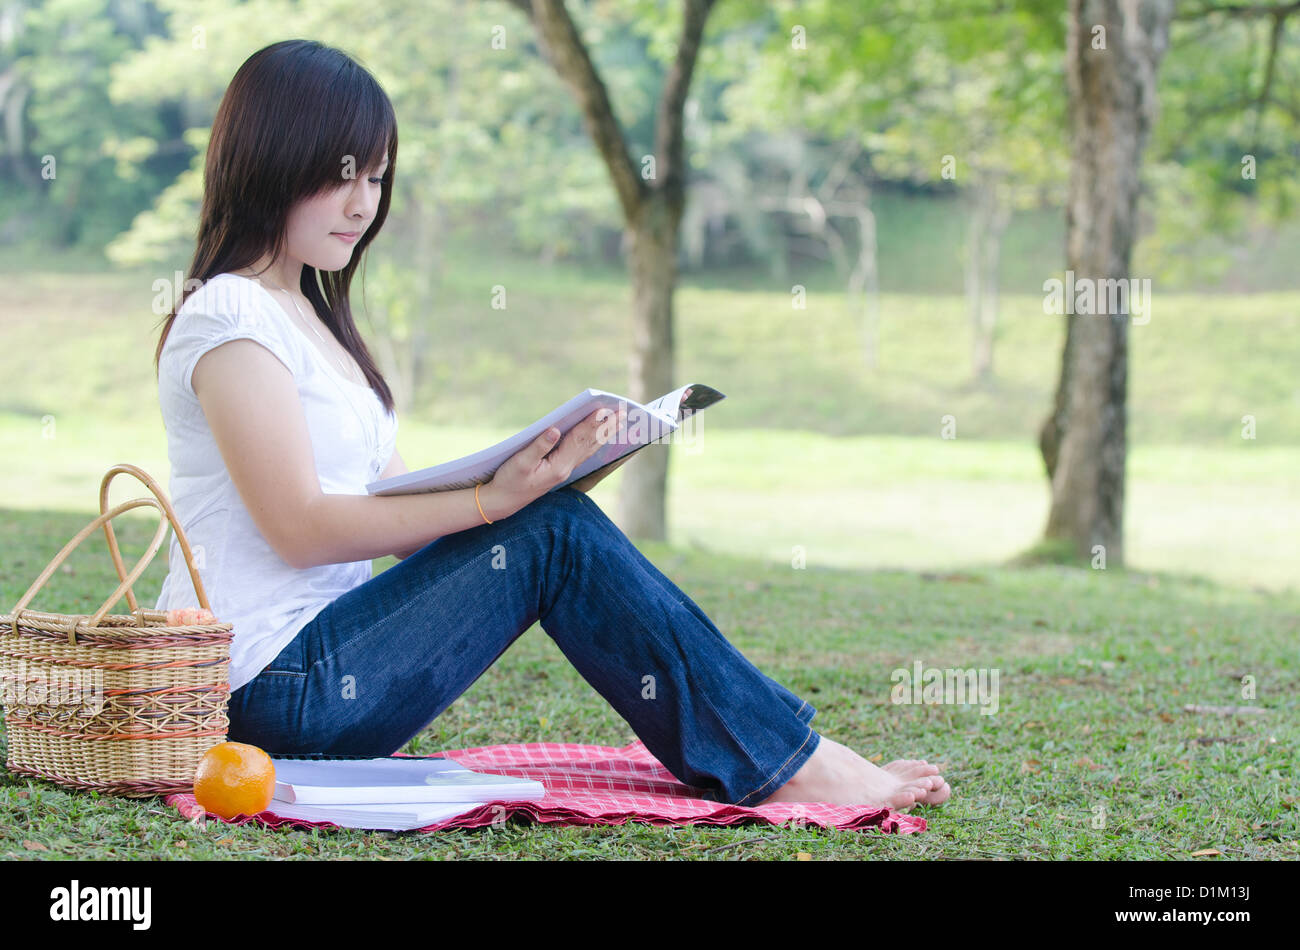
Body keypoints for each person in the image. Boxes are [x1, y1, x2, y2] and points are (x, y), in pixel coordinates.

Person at [152, 39, 949, 810]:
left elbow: (400, 519)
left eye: (379, 177)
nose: (365, 203)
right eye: (341, 177)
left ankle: (779, 751)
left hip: (321, 669)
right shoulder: (231, 312)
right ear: (268, 160)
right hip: (257, 690)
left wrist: (540, 483)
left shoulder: (314, 319)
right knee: (554, 532)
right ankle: (782, 759)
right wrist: (497, 507)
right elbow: (300, 529)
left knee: (555, 524)